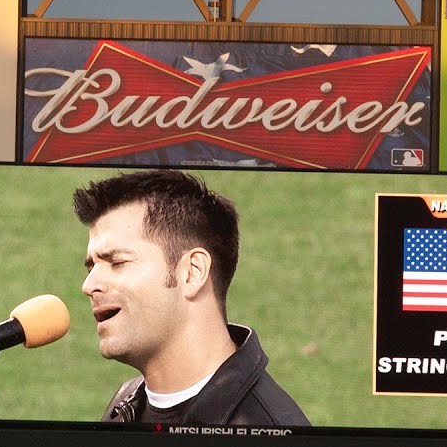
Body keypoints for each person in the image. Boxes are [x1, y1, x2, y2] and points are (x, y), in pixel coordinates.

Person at [72, 170, 309, 426]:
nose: (89, 285)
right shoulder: (125, 406)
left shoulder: (268, 437)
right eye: (91, 267)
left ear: (192, 272)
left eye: (117, 262)